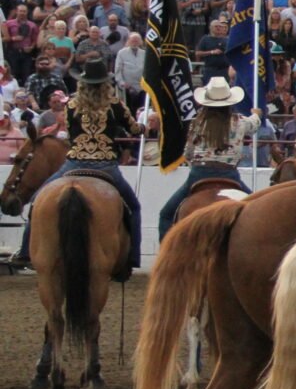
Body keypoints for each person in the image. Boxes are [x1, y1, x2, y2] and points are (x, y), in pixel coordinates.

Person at [43, 53, 143, 276]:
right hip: (106, 165)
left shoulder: (71, 104)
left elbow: (70, 135)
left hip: (74, 163)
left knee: (38, 200)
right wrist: (144, 127)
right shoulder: (115, 104)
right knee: (134, 208)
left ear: (83, 82)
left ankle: (27, 250)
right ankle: (133, 256)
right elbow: (134, 129)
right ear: (105, 82)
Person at [156, 77, 252, 241]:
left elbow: (187, 153)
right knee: (256, 207)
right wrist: (257, 113)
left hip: (199, 174)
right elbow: (255, 123)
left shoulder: (196, 123)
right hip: (229, 175)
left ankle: (166, 252)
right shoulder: (241, 122)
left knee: (166, 214)